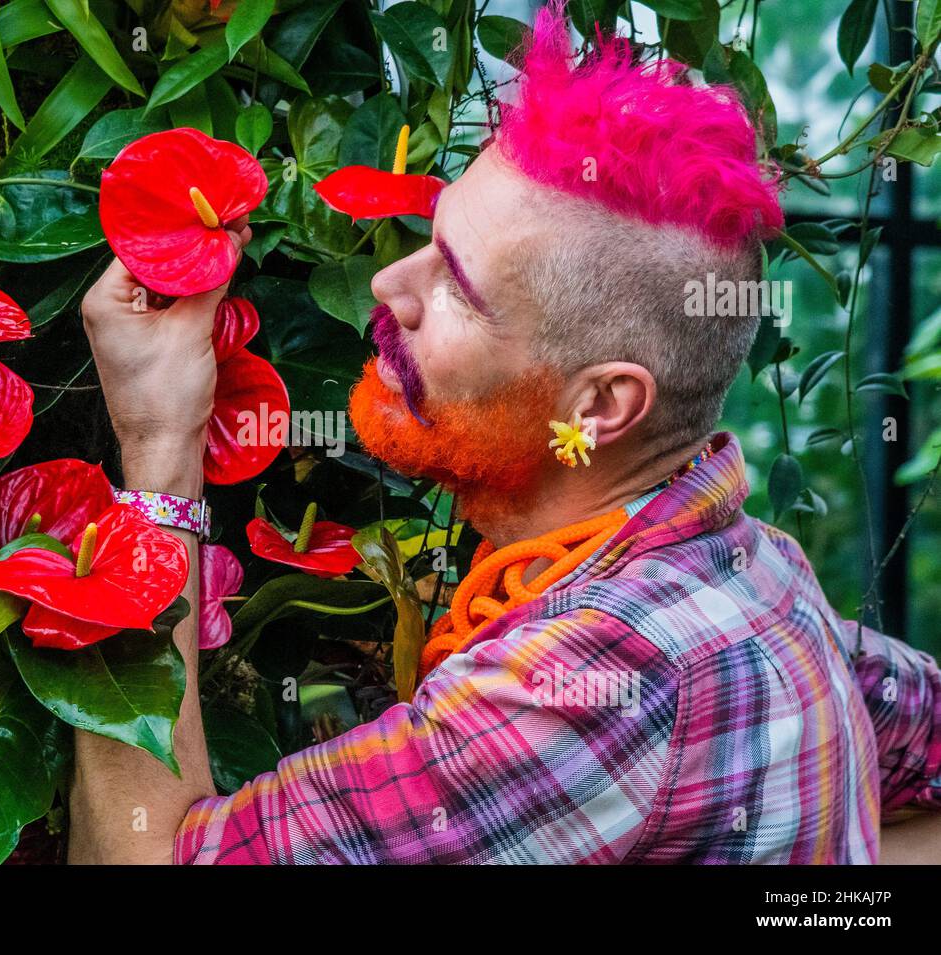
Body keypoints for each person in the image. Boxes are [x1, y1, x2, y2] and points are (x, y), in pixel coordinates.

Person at [72, 1, 940, 864]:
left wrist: (157, 451)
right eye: (428, 241)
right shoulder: (762, 568)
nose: (386, 286)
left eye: (456, 287)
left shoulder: (578, 691)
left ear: (598, 408)